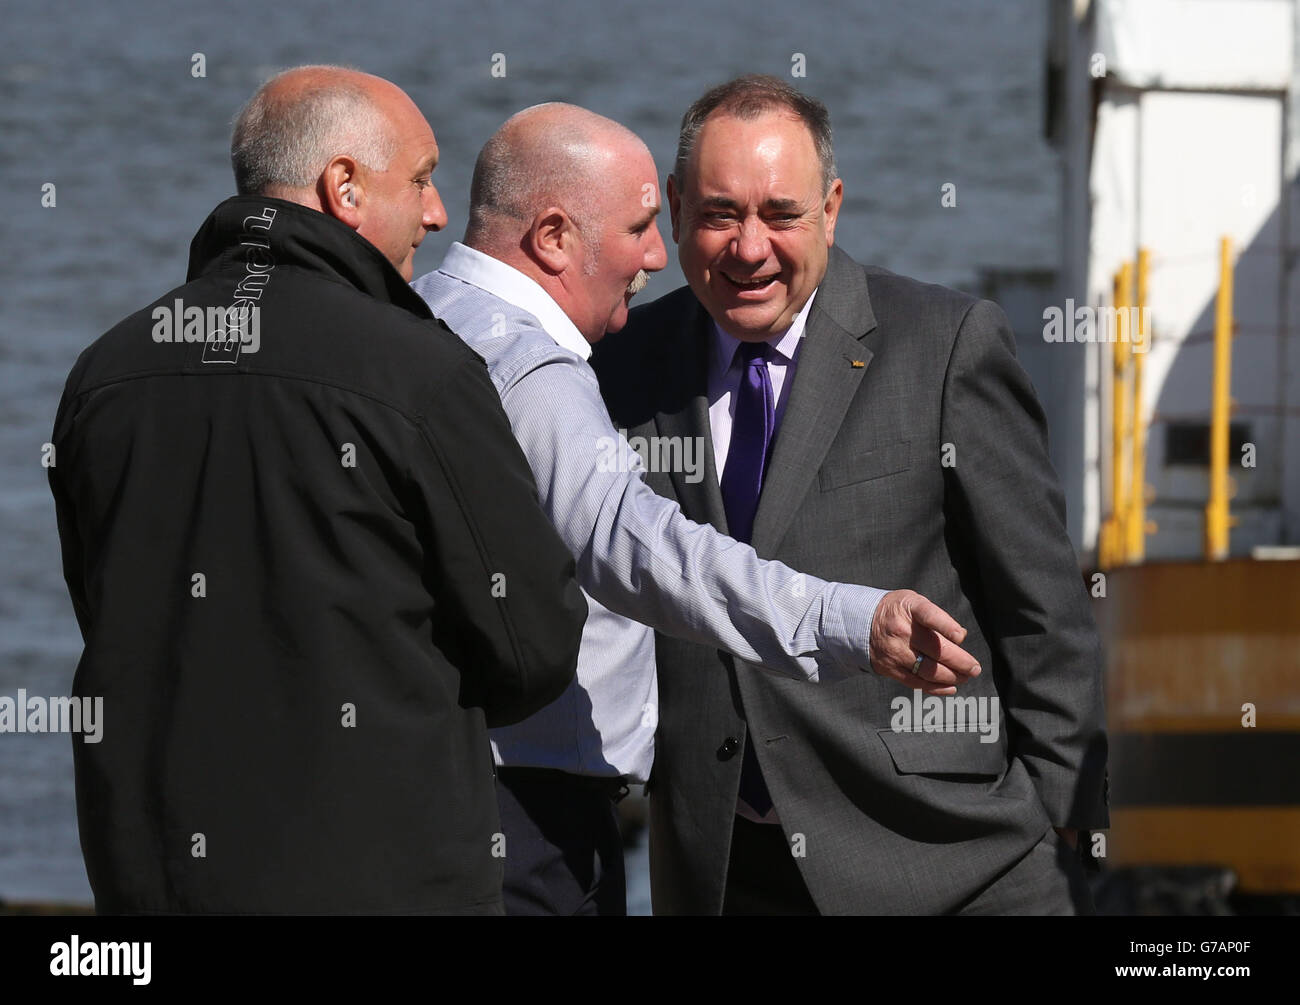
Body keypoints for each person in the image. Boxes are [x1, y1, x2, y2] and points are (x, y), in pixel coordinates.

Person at [411, 102, 980, 916]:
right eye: (644, 225)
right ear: (554, 239)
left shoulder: (409, 321)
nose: (655, 256)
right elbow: (630, 539)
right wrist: (845, 618)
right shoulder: (537, 371)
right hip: (530, 822)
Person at [47, 66, 586, 914]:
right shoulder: (421, 371)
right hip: (383, 874)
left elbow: (107, 610)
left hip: (150, 872)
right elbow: (533, 647)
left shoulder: (106, 372)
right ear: (344, 187)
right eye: (419, 179)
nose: (439, 212)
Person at [591, 75, 1109, 915]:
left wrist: (1064, 833)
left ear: (831, 208)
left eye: (781, 214)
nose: (749, 247)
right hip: (723, 869)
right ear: (677, 208)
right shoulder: (621, 363)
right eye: (721, 213)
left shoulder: (946, 346)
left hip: (953, 862)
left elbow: (1043, 615)